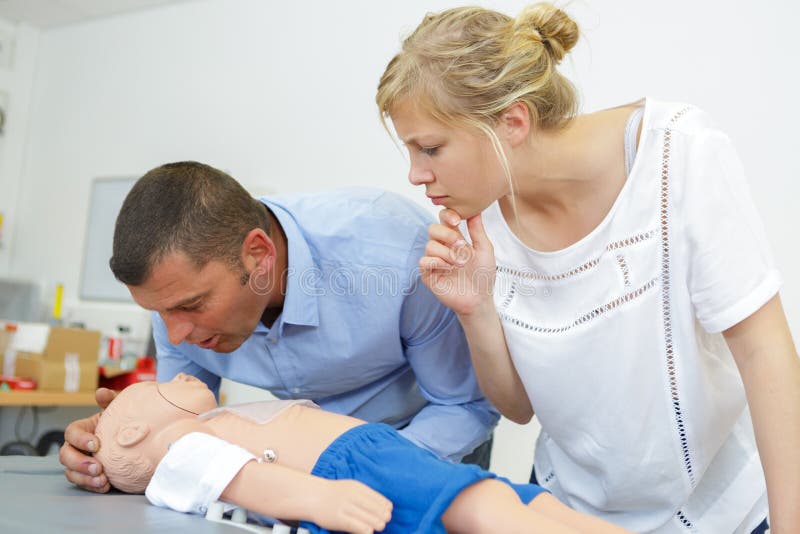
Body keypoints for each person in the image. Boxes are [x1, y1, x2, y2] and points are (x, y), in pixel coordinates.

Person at [376, 3, 800, 533]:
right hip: (568, 511)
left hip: (722, 512)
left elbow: (767, 355)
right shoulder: (481, 221)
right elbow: (519, 409)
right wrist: (475, 309)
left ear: (513, 122)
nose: (416, 175)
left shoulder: (678, 156)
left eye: (431, 148)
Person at [60, 161, 499, 493]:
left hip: (423, 447)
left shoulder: (393, 257)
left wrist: (351, 471)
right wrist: (111, 452)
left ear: (258, 253)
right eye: (160, 313)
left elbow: (463, 406)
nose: (175, 336)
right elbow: (183, 425)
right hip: (299, 470)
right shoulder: (176, 304)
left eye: (192, 306)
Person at [93, 373, 631, 534]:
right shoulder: (176, 450)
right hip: (348, 469)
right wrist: (317, 496)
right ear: (131, 432)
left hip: (370, 454)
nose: (177, 373)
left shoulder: (203, 424)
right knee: (484, 509)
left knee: (511, 500)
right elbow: (239, 478)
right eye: (153, 388)